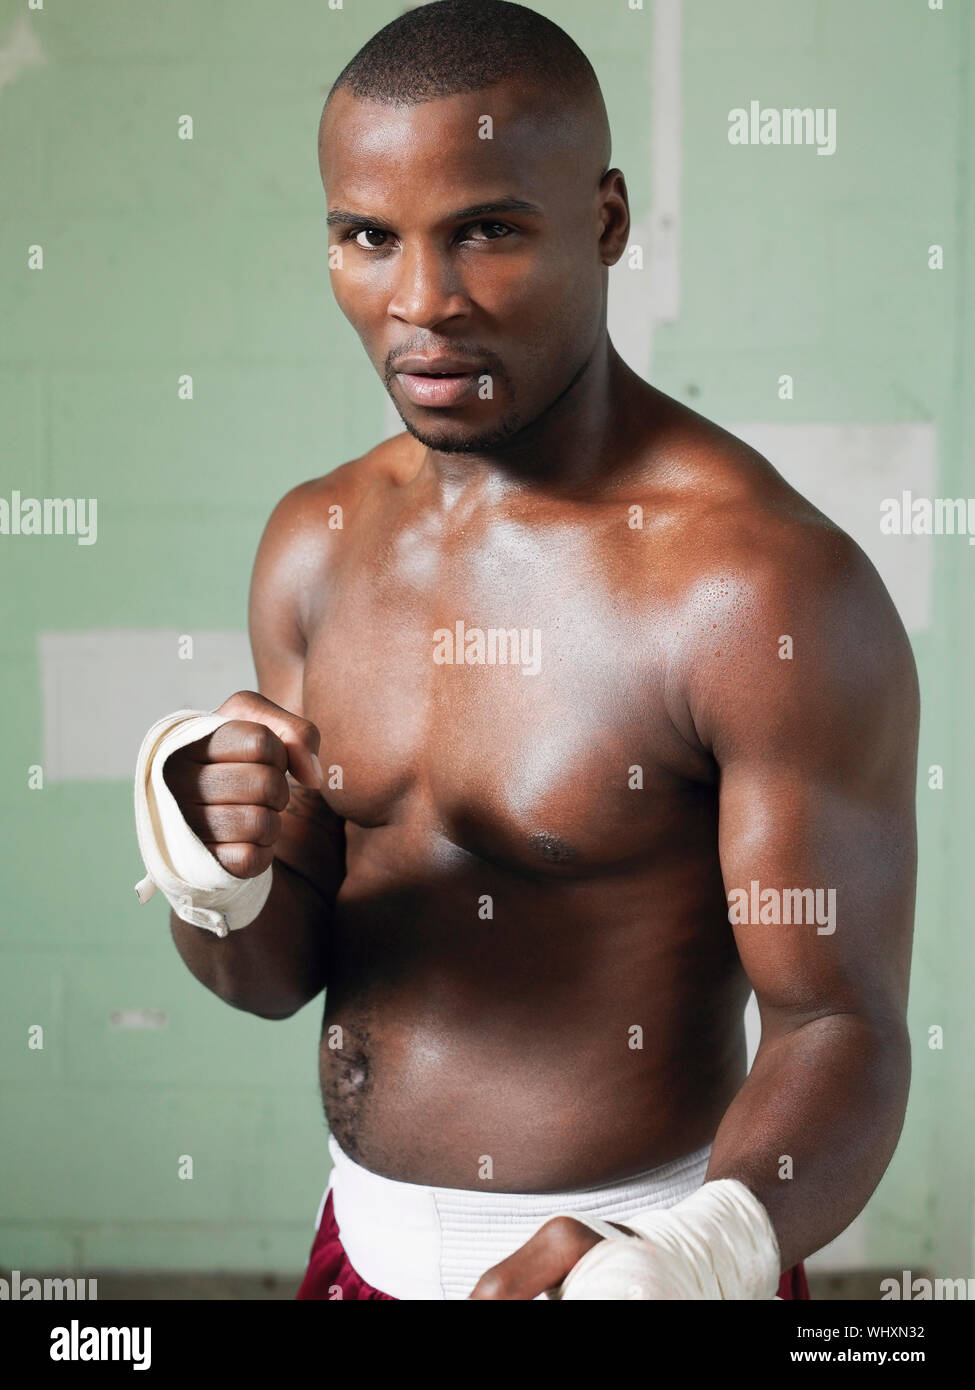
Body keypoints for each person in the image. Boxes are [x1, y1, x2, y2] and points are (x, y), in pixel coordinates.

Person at [143, 0, 918, 1300]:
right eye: (368, 237)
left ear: (606, 221)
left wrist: (684, 1258)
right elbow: (276, 978)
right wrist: (210, 870)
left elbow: (842, 1026)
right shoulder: (313, 545)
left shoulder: (759, 584)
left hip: (648, 1264)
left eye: (486, 231)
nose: (421, 301)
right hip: (358, 1253)